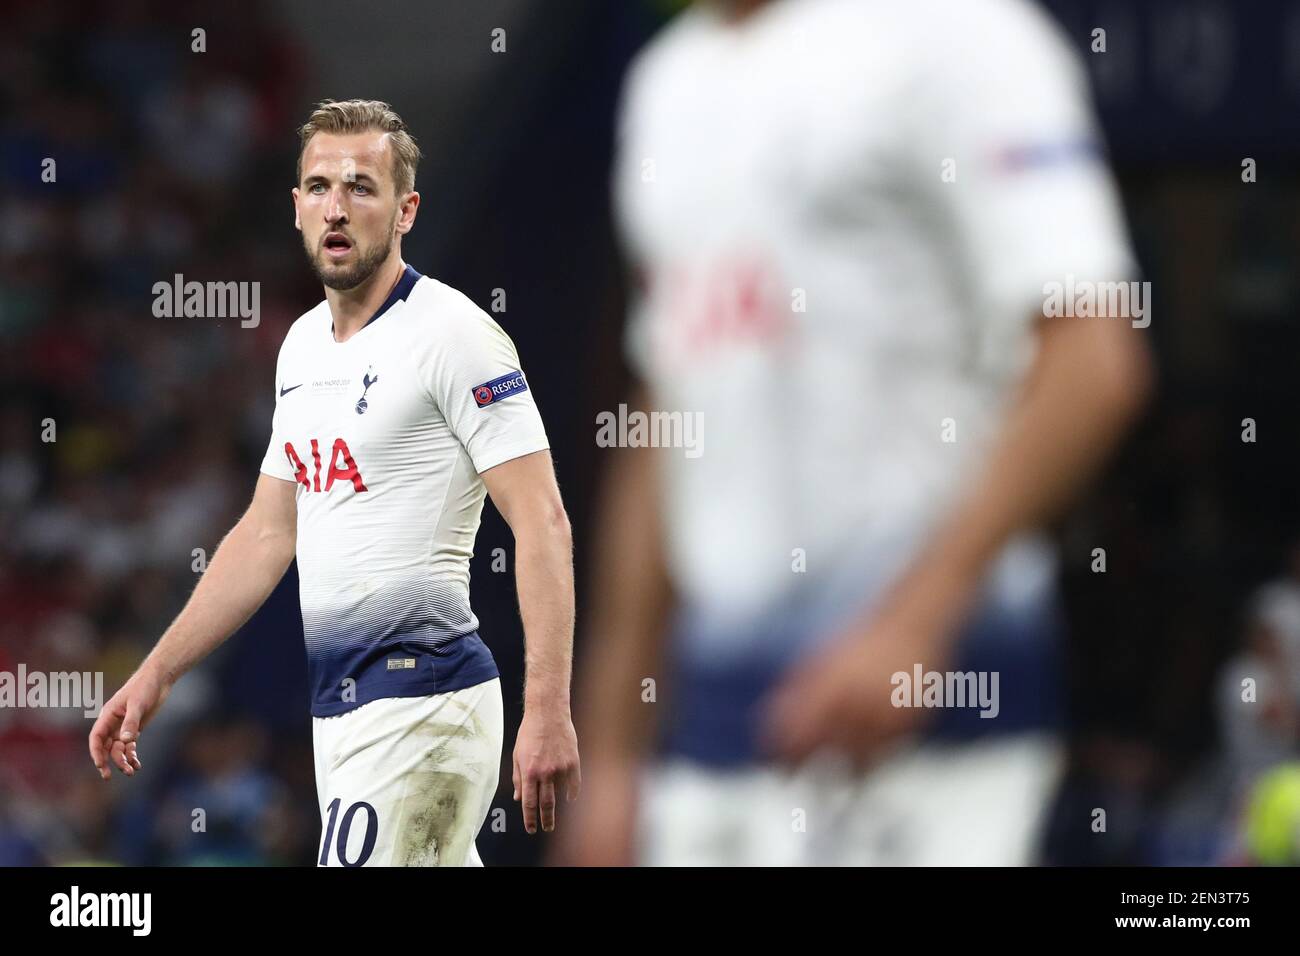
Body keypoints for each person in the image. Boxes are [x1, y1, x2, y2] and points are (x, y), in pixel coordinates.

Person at [561, 0, 1152, 865]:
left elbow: (1095, 361)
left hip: (938, 753)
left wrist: (912, 624)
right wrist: (609, 756)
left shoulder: (963, 31)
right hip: (712, 749)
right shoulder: (668, 81)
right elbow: (668, 420)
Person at [89, 99, 580, 866]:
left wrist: (547, 707)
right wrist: (156, 674)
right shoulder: (302, 348)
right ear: (295, 207)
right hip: (342, 712)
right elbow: (266, 532)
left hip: (425, 700)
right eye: (319, 187)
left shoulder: (453, 335)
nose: (337, 207)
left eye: (362, 186)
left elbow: (542, 519)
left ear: (406, 209)